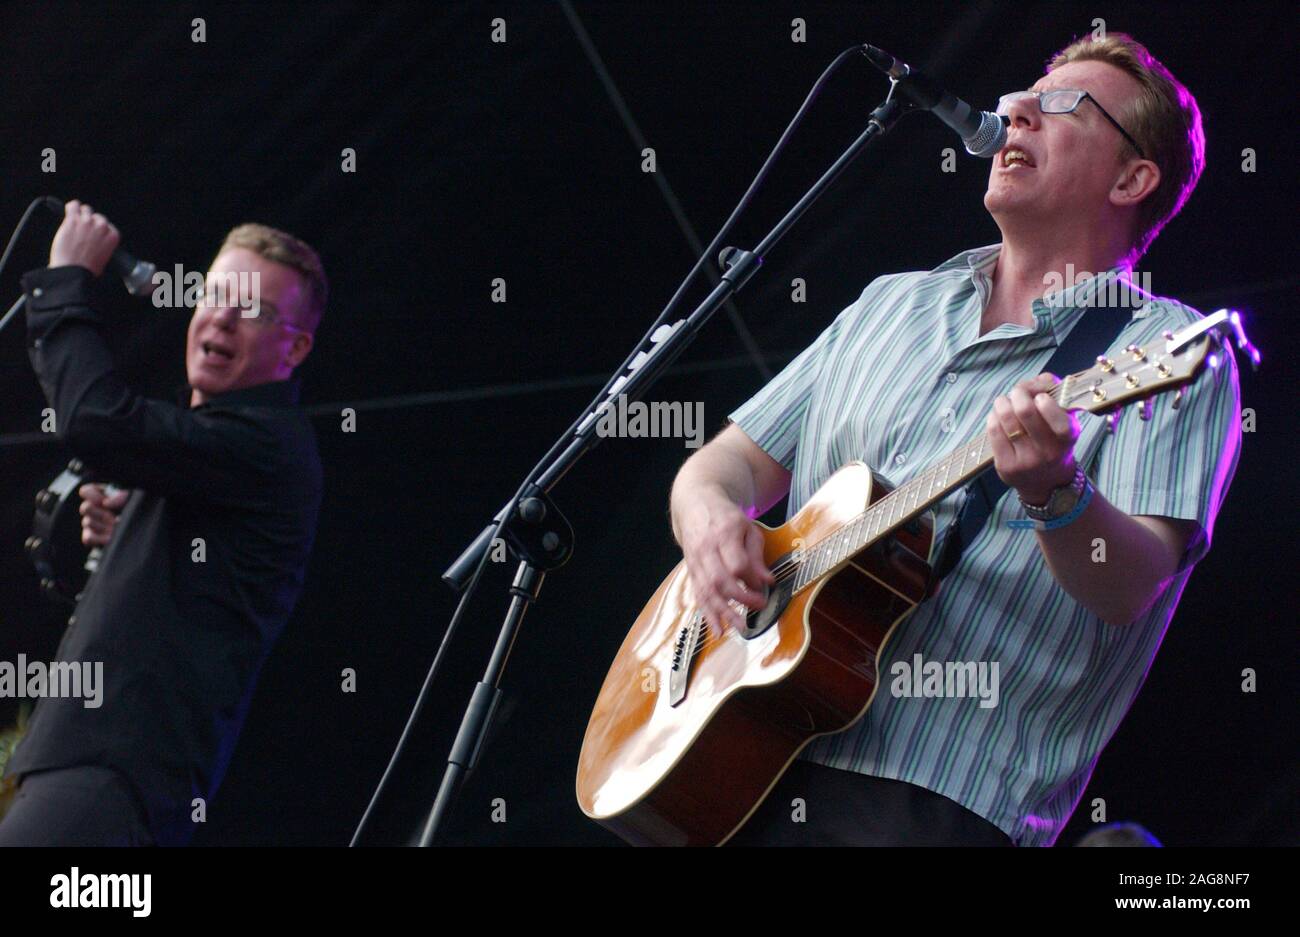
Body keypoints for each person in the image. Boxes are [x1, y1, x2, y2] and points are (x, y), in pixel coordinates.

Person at [669, 34, 1240, 846]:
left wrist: (1056, 490)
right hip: (739, 744)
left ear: (1132, 178)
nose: (1015, 111)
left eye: (1063, 105)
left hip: (929, 800)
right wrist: (710, 525)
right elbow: (722, 464)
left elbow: (1130, 585)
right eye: (1021, 96)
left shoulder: (1172, 349)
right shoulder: (889, 303)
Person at [0, 202, 326, 845]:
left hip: (106, 778)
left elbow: (97, 420)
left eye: (254, 309)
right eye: (216, 295)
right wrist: (120, 543)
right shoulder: (208, 457)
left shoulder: (266, 443)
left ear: (296, 347)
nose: (223, 316)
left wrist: (65, 279)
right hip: (97, 777)